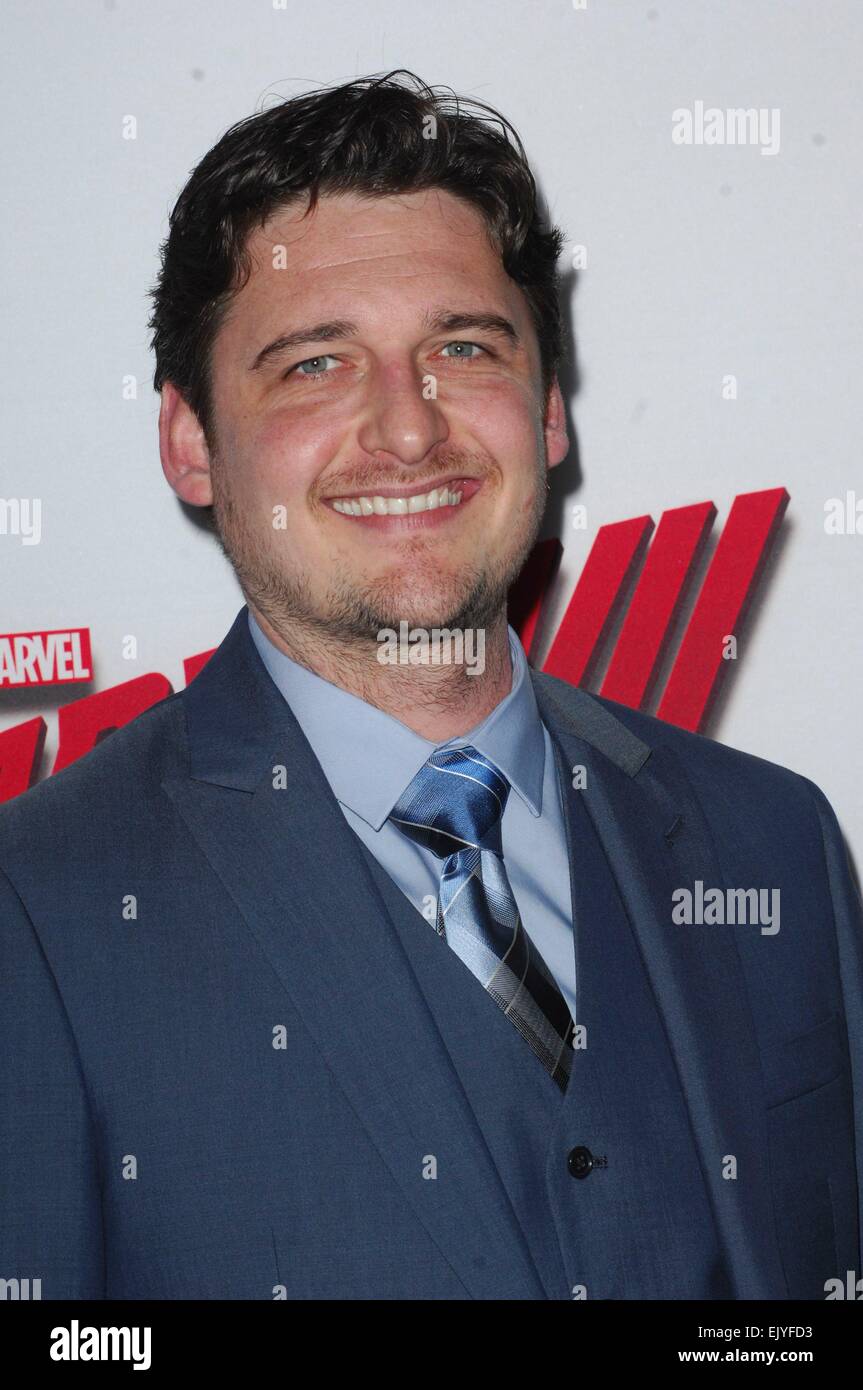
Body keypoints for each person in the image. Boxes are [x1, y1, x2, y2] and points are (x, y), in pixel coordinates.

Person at [1, 70, 860, 1301]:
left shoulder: (773, 844)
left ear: (548, 409)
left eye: (461, 347)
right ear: (191, 443)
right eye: (313, 364)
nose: (408, 431)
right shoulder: (36, 911)